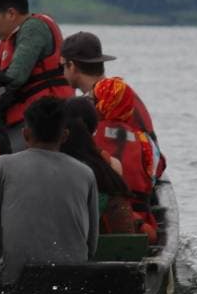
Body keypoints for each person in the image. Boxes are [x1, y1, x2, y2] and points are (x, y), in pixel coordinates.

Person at [0, 97, 98, 286]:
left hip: (16, 284)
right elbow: (91, 245)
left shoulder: (4, 166)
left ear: (25, 134)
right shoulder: (86, 174)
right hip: (71, 286)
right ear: (65, 136)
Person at [60, 31, 168, 193]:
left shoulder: (94, 104)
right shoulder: (123, 93)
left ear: (72, 66)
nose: (62, 72)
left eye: (63, 66)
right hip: (141, 181)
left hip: (113, 187)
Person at [0, 0, 74, 151]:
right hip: (23, 119)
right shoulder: (9, 40)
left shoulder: (34, 28)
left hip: (45, 120)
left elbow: (15, 77)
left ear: (11, 13)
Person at [63, 97, 156, 240]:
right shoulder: (138, 143)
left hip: (65, 240)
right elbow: (157, 171)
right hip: (114, 230)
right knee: (147, 232)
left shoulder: (50, 162)